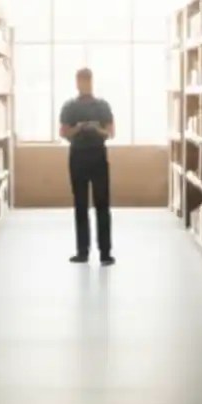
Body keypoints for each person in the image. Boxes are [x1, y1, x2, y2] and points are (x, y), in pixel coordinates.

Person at [59, 67, 114, 265]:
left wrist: (96, 129)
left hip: (98, 156)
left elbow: (110, 132)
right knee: (80, 204)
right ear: (77, 83)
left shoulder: (102, 106)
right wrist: (78, 128)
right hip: (78, 157)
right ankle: (82, 252)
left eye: (87, 81)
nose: (84, 85)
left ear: (92, 82)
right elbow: (64, 132)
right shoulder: (69, 107)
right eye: (81, 81)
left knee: (102, 204)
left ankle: (105, 253)